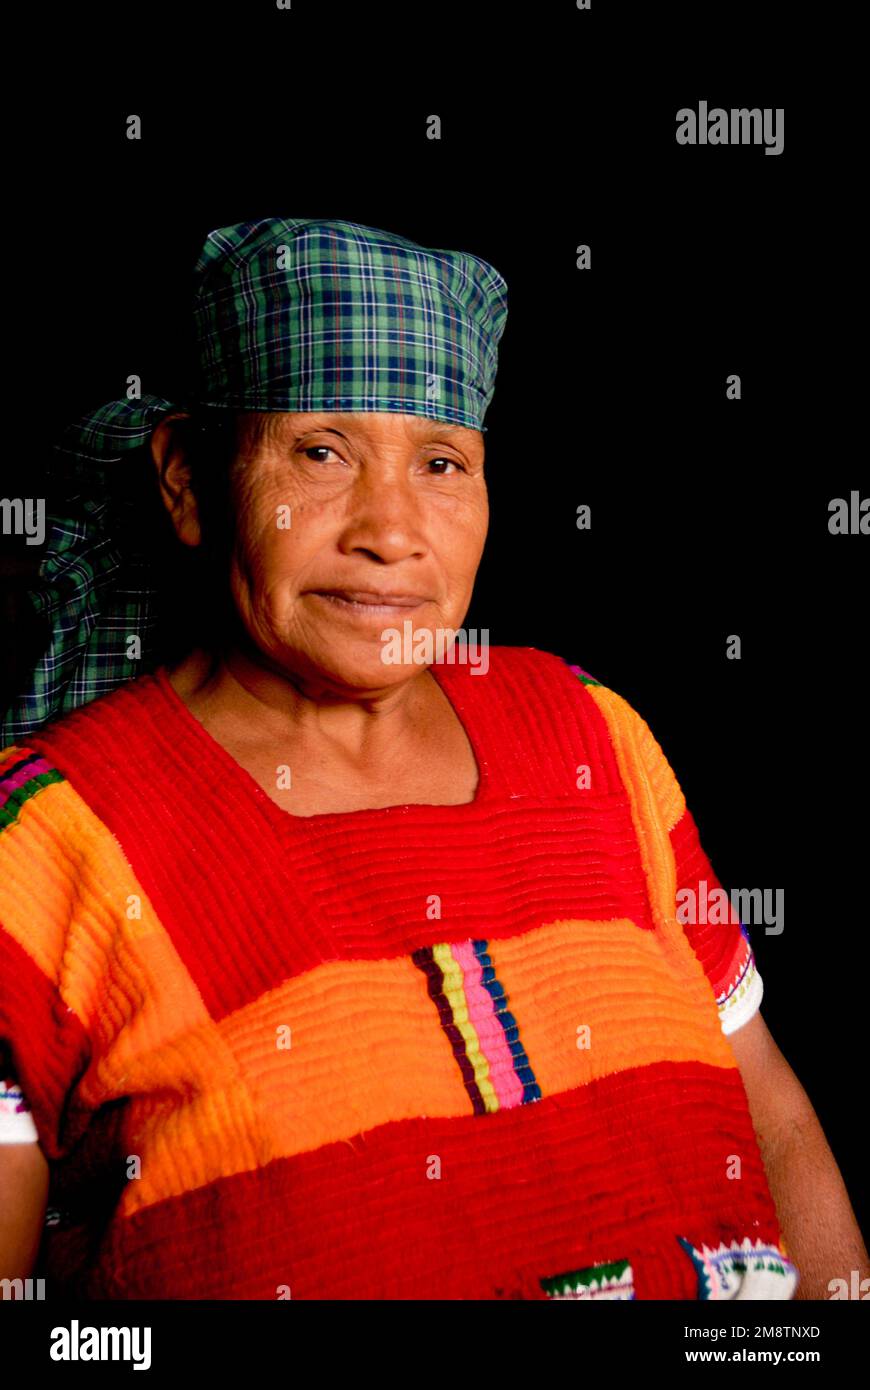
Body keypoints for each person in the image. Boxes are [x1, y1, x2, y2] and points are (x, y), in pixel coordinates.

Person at [0, 218, 866, 1301]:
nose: (392, 530)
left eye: (441, 462)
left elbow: (771, 1119)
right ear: (186, 479)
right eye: (322, 451)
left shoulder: (593, 733)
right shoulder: (44, 839)